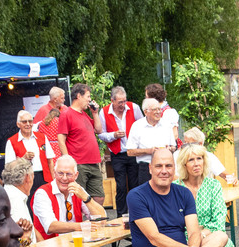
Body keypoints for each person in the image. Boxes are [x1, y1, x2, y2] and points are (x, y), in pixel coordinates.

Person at [57, 83, 106, 196]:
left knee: (99, 197)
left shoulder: (84, 114)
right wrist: (68, 162)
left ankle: (95, 214)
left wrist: (95, 113)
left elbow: (98, 130)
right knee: (78, 197)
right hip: (78, 163)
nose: (90, 100)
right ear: (79, 96)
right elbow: (61, 140)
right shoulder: (66, 114)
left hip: (93, 162)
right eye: (88, 96)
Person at [100, 86, 143, 214]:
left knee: (135, 185)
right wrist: (113, 135)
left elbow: (142, 126)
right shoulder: (104, 112)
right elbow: (101, 134)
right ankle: (121, 215)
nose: (123, 105)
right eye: (120, 102)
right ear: (112, 100)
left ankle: (137, 213)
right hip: (117, 154)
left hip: (133, 152)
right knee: (121, 187)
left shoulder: (134, 107)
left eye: (124, 101)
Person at [125, 98, 177, 188]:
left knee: (165, 194)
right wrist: (148, 151)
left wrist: (169, 149)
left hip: (165, 166)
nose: (158, 112)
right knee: (146, 197)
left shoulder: (167, 124)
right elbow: (130, 152)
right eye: (154, 109)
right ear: (145, 112)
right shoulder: (137, 126)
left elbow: (174, 147)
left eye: (159, 109)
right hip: (145, 167)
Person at [5, 110, 52, 190]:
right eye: (24, 122)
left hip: (44, 178)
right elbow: (9, 167)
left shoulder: (42, 137)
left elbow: (50, 161)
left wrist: (53, 179)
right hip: (24, 180)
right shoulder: (12, 141)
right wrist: (23, 159)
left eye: (30, 121)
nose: (28, 124)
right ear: (18, 124)